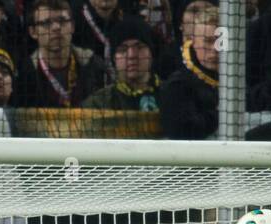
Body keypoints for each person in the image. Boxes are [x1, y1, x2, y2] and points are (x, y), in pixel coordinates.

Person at [14, 0, 108, 107]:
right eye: (46, 23)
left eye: (62, 21)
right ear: (33, 32)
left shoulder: (95, 66)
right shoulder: (23, 75)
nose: (56, 27)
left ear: (72, 26)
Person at [161, 0, 219, 137]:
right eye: (208, 41)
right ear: (193, 41)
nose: (215, 50)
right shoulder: (177, 87)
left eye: (221, 41)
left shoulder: (242, 82)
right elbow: (181, 132)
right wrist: (219, 114)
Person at [84, 16, 163, 113]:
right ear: (114, 59)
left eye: (139, 47)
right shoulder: (97, 104)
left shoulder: (173, 94)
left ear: (151, 54)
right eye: (123, 49)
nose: (131, 55)